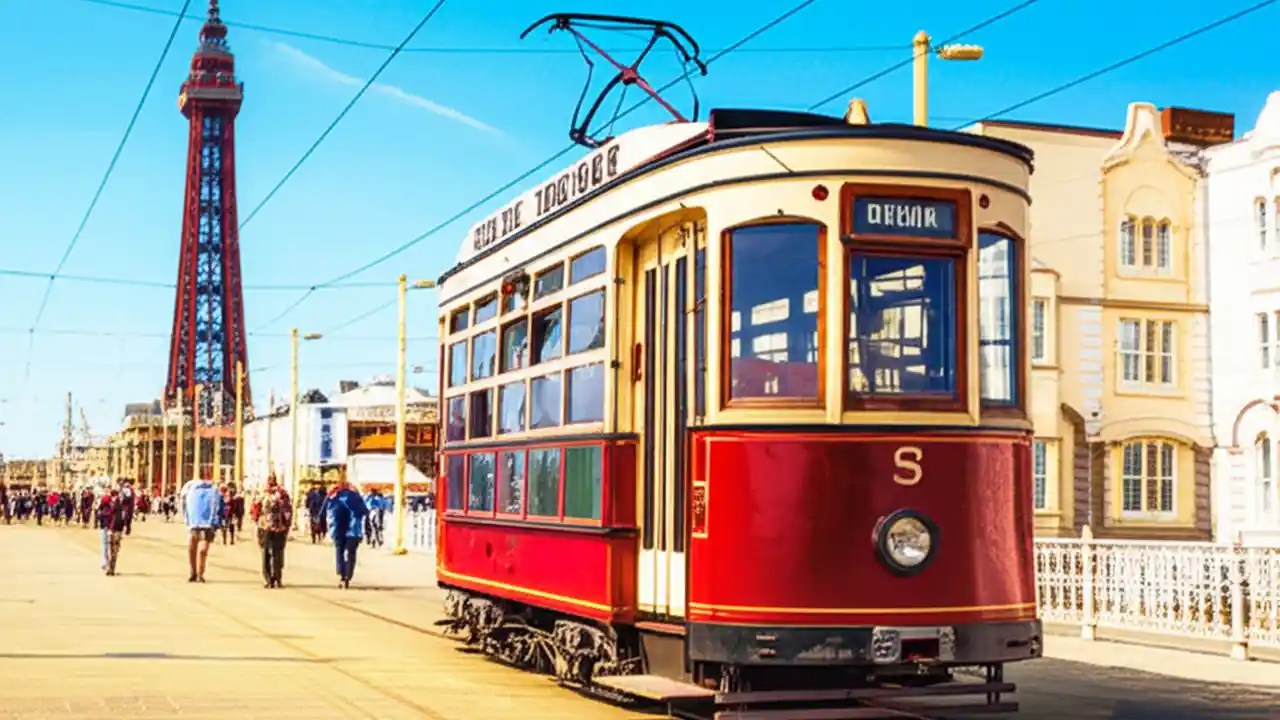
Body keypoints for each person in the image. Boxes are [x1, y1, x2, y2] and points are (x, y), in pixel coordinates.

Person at [326, 480, 368, 589]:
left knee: (339, 552)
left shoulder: (334, 496)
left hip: (338, 530)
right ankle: (348, 576)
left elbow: (326, 510)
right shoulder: (355, 497)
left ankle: (342, 575)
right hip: (353, 531)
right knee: (351, 554)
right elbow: (364, 511)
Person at [182, 474, 224, 583]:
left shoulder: (215, 491)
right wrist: (187, 519)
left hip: (208, 526)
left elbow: (219, 508)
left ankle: (200, 574)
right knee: (191, 548)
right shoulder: (191, 488)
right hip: (194, 524)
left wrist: (216, 523)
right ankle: (193, 573)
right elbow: (185, 505)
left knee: (202, 550)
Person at [253, 477, 291, 588]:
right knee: (277, 554)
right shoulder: (283, 494)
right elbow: (288, 511)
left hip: (264, 527)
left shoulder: (262, 494)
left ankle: (268, 579)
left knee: (265, 553)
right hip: (279, 528)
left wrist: (257, 521)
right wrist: (287, 525)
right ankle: (277, 578)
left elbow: (255, 510)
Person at [96, 488, 129, 576]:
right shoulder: (115, 505)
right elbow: (121, 518)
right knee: (113, 549)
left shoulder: (119, 505)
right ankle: (110, 568)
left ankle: (110, 568)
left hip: (114, 529)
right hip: (114, 528)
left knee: (113, 549)